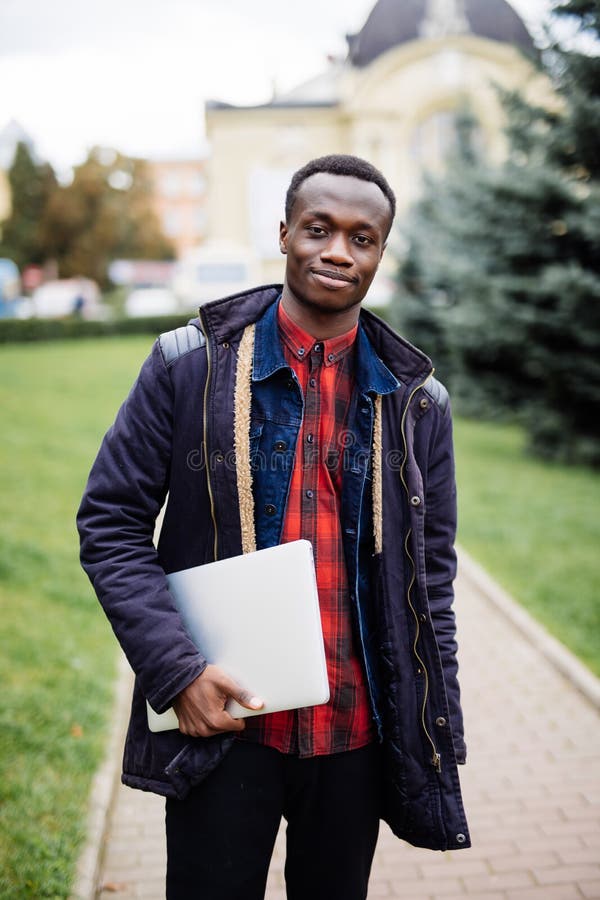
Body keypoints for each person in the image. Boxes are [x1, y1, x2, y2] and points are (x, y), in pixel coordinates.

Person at [77, 154, 470, 900]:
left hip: (357, 732)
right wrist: (177, 674)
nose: (337, 251)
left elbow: (433, 578)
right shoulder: (186, 366)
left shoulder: (419, 402)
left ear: (380, 253)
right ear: (284, 231)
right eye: (319, 229)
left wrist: (436, 720)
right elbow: (111, 523)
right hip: (224, 727)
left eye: (362, 238)